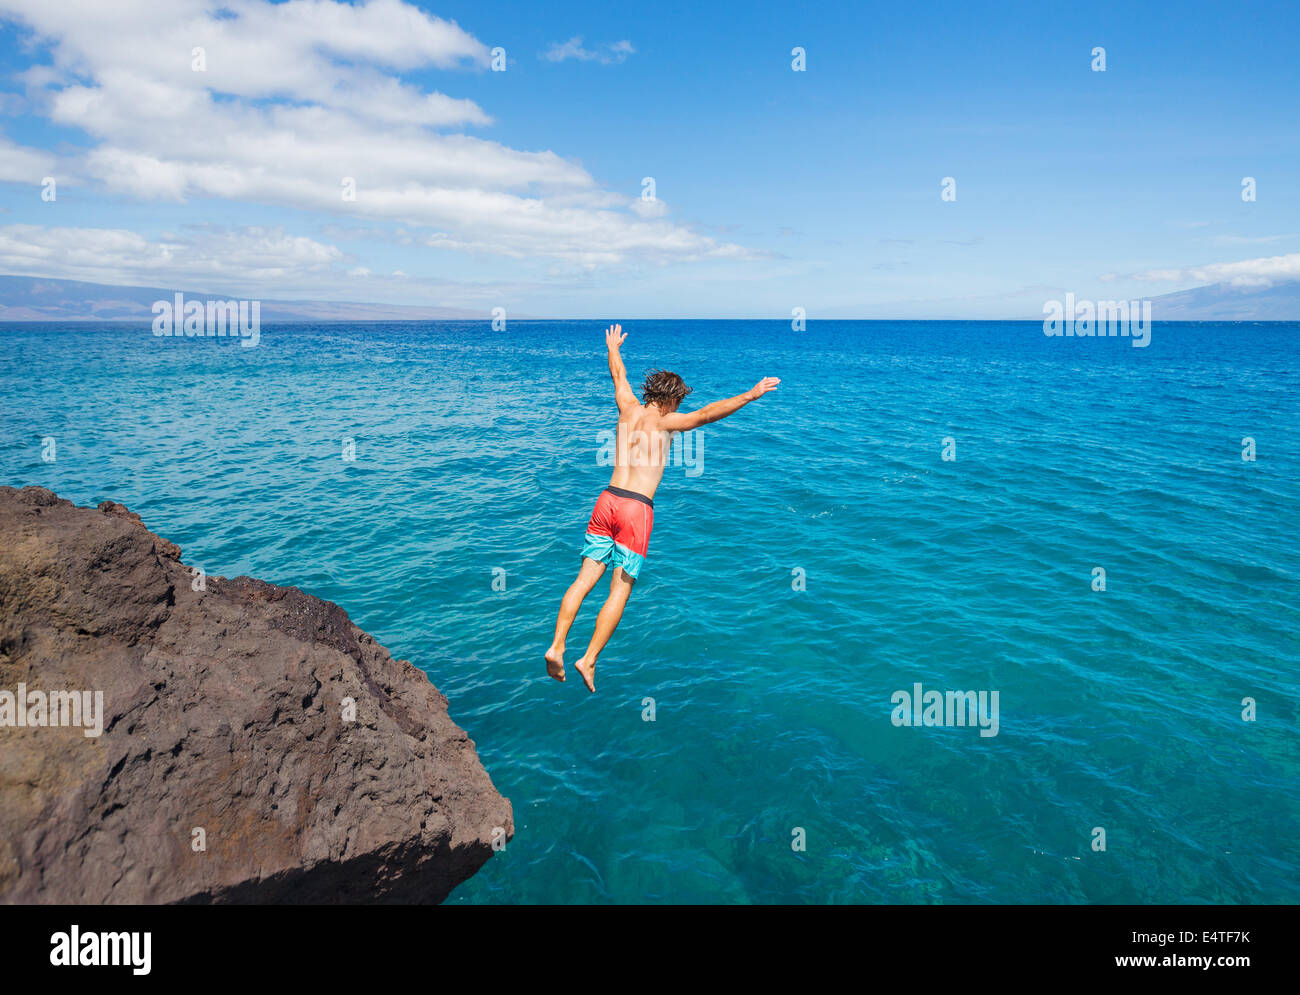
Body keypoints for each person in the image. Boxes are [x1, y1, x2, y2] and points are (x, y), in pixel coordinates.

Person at [545, 323, 780, 692]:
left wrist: (613, 348)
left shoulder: (627, 407)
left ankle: (557, 646)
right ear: (671, 400)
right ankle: (587, 659)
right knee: (618, 591)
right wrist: (750, 395)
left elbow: (618, 375)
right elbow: (708, 414)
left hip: (606, 500)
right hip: (636, 509)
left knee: (583, 579)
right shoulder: (669, 421)